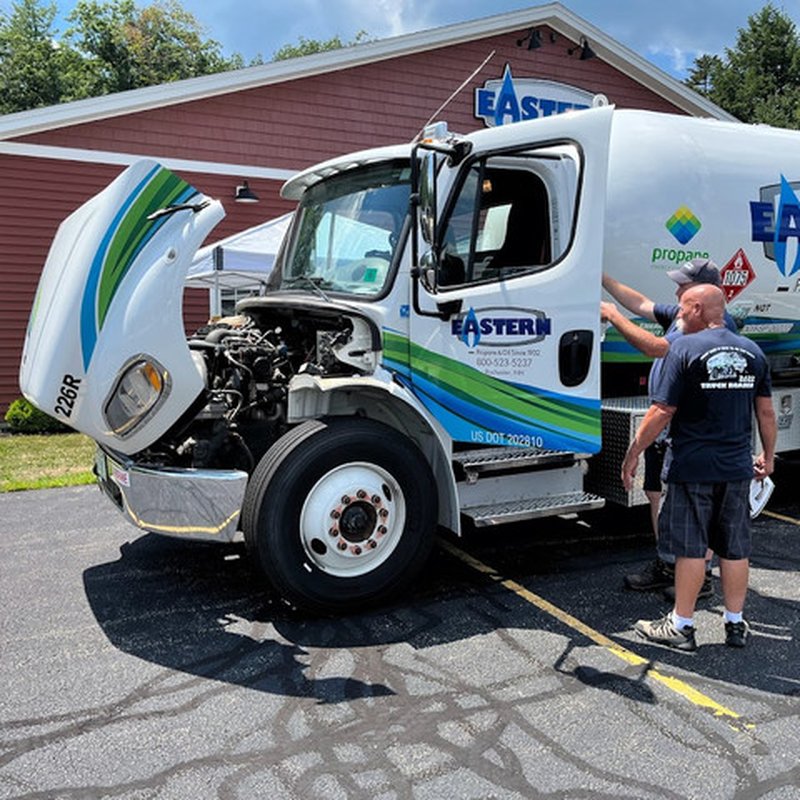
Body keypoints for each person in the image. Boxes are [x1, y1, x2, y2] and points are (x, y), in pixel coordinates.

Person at [620, 284, 776, 651]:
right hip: (737, 466)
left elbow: (662, 411)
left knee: (692, 548)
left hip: (693, 466)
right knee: (734, 548)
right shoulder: (753, 351)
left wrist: (634, 452)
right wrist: (768, 457)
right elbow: (766, 412)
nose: (677, 315)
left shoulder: (683, 349)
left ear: (696, 308)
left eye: (681, 308)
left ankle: (682, 626)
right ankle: (735, 625)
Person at [601, 258, 737, 599]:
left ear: (702, 293)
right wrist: (600, 276)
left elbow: (657, 347)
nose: (676, 289)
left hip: (684, 427)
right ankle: (667, 565)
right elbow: (640, 303)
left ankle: (699, 575)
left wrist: (615, 318)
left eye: (683, 284)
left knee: (692, 506)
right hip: (665, 429)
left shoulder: (712, 326)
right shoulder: (681, 315)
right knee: (656, 494)